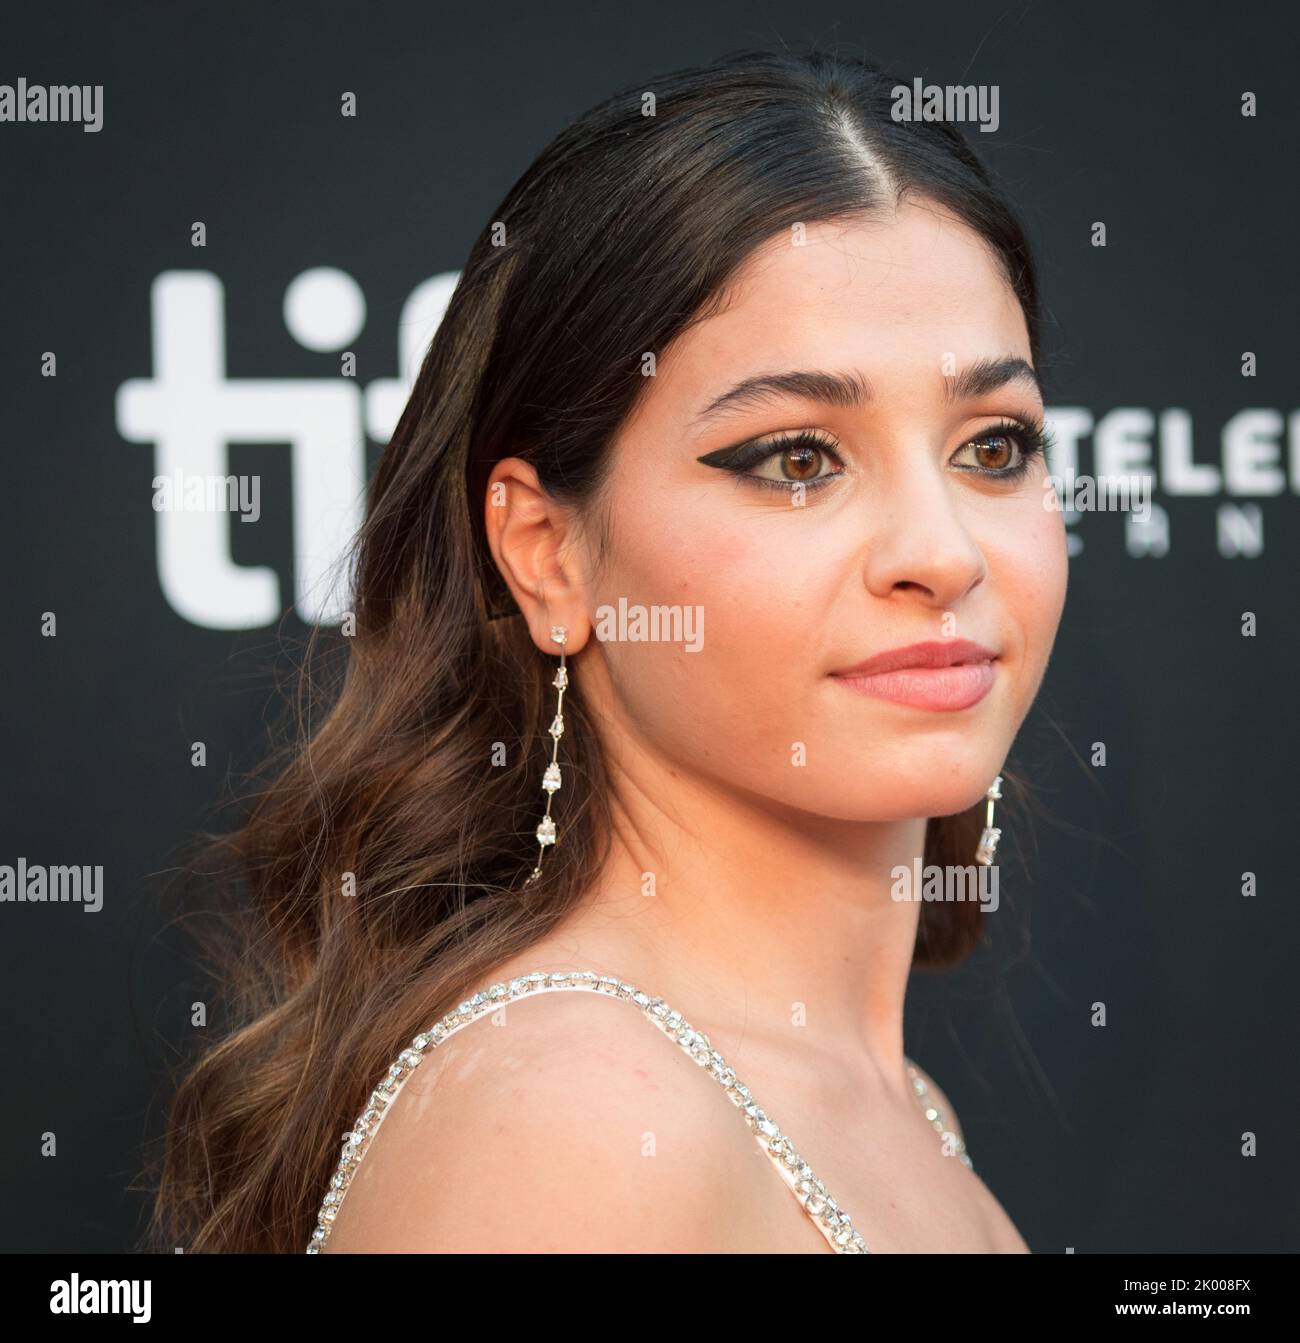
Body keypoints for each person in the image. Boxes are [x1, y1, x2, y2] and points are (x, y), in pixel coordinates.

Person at [154, 44, 1067, 1254]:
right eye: (797, 456)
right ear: (547, 553)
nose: (941, 551)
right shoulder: (579, 1119)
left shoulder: (891, 1106)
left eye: (992, 446)